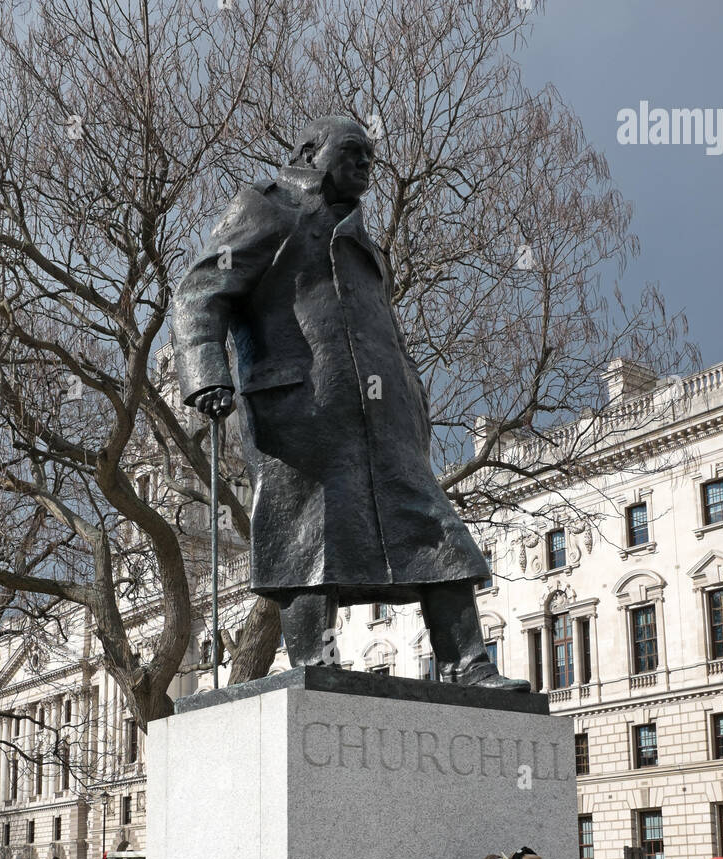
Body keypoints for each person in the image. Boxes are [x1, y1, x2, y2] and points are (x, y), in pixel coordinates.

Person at [171, 115, 528, 690]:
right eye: (352, 150)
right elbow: (198, 291)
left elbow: (387, 332)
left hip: (383, 420)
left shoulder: (365, 239)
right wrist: (206, 373)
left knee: (435, 530)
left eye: (371, 155)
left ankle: (467, 662)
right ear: (311, 153)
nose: (366, 162)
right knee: (305, 534)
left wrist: (412, 403)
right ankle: (315, 663)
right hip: (299, 411)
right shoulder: (266, 209)